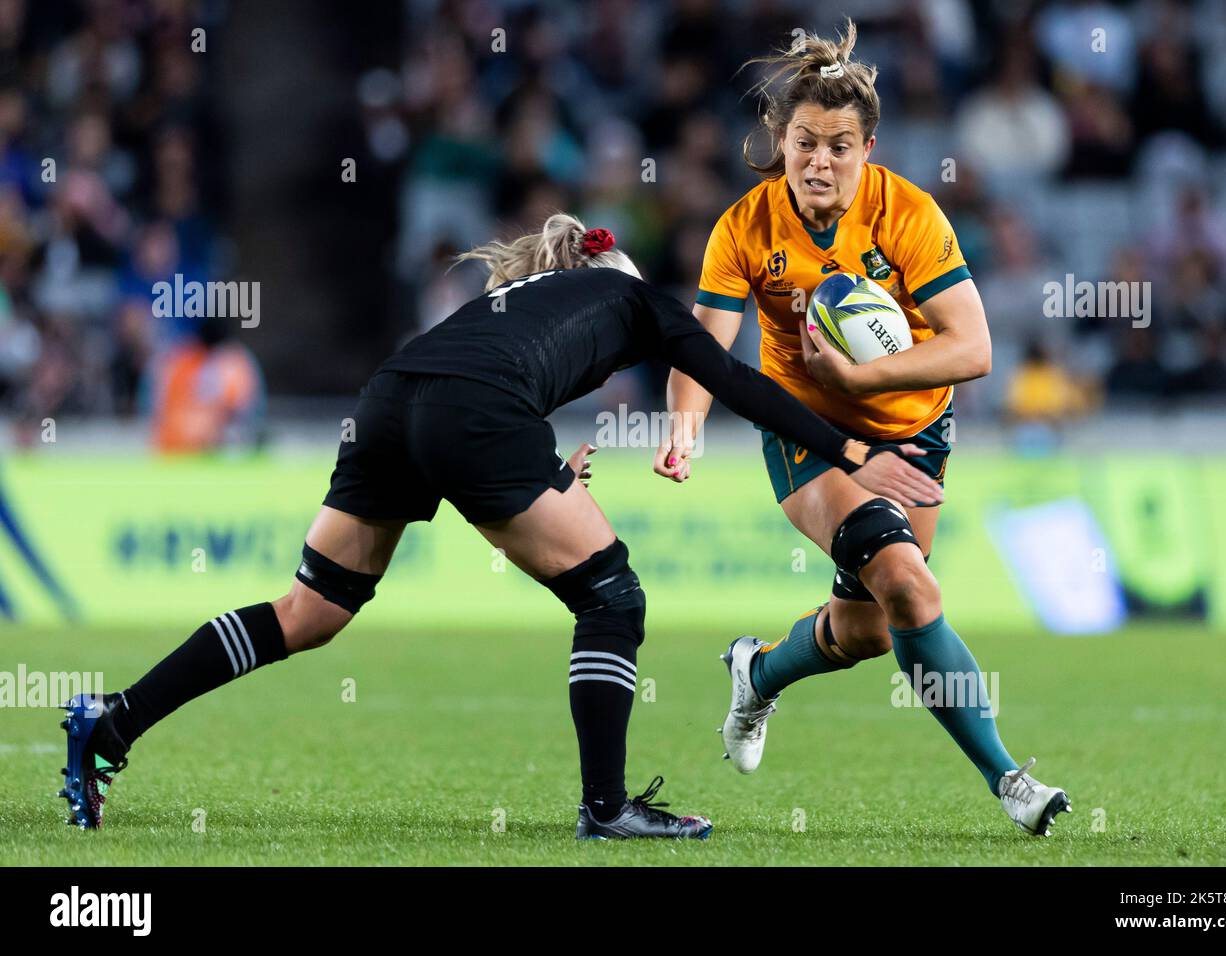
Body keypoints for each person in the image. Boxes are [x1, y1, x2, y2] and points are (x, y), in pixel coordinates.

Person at [59, 213, 903, 840]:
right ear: (609, 258)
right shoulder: (638, 298)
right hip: (476, 412)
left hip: (393, 395)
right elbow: (740, 383)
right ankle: (606, 811)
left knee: (305, 614)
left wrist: (531, 473)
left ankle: (113, 721)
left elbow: (486, 392)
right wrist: (850, 448)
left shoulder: (522, 296)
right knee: (612, 597)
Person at [656, 23, 1071, 835]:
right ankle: (1012, 782)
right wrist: (685, 425)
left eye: (840, 146)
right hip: (807, 431)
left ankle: (758, 671)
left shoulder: (909, 214)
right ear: (779, 141)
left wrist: (858, 376)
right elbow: (702, 345)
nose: (820, 161)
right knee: (913, 586)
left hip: (914, 429)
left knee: (870, 630)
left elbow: (974, 348)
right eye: (804, 142)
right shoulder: (745, 227)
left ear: (868, 149)